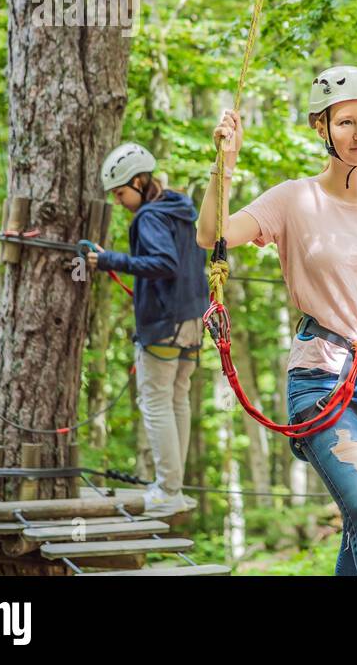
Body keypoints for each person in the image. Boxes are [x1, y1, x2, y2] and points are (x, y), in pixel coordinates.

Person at [198, 65, 357, 575]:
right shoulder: (295, 198)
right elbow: (211, 234)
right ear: (321, 128)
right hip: (323, 373)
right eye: (346, 122)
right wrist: (224, 165)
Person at [87, 143, 209, 518]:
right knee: (176, 399)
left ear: (139, 181)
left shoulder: (150, 217)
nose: (120, 201)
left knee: (155, 402)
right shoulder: (182, 209)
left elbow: (163, 263)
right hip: (193, 319)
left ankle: (168, 490)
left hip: (164, 323)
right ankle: (174, 487)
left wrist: (107, 259)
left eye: (121, 193)